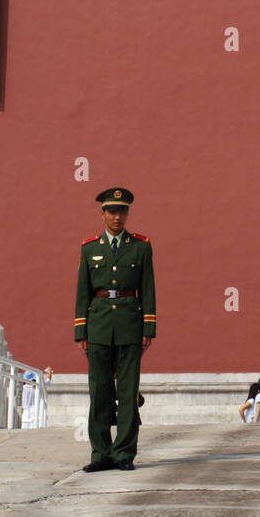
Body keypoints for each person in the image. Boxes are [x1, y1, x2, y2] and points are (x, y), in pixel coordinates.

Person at [75, 187, 156, 473]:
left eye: (122, 211)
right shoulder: (89, 248)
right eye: (112, 211)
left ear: (127, 213)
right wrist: (81, 331)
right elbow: (82, 292)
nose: (117, 216)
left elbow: (147, 288)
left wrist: (149, 327)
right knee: (98, 390)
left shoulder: (141, 246)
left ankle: (123, 453)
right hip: (97, 326)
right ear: (103, 214)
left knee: (127, 391)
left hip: (129, 326)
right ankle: (100, 453)